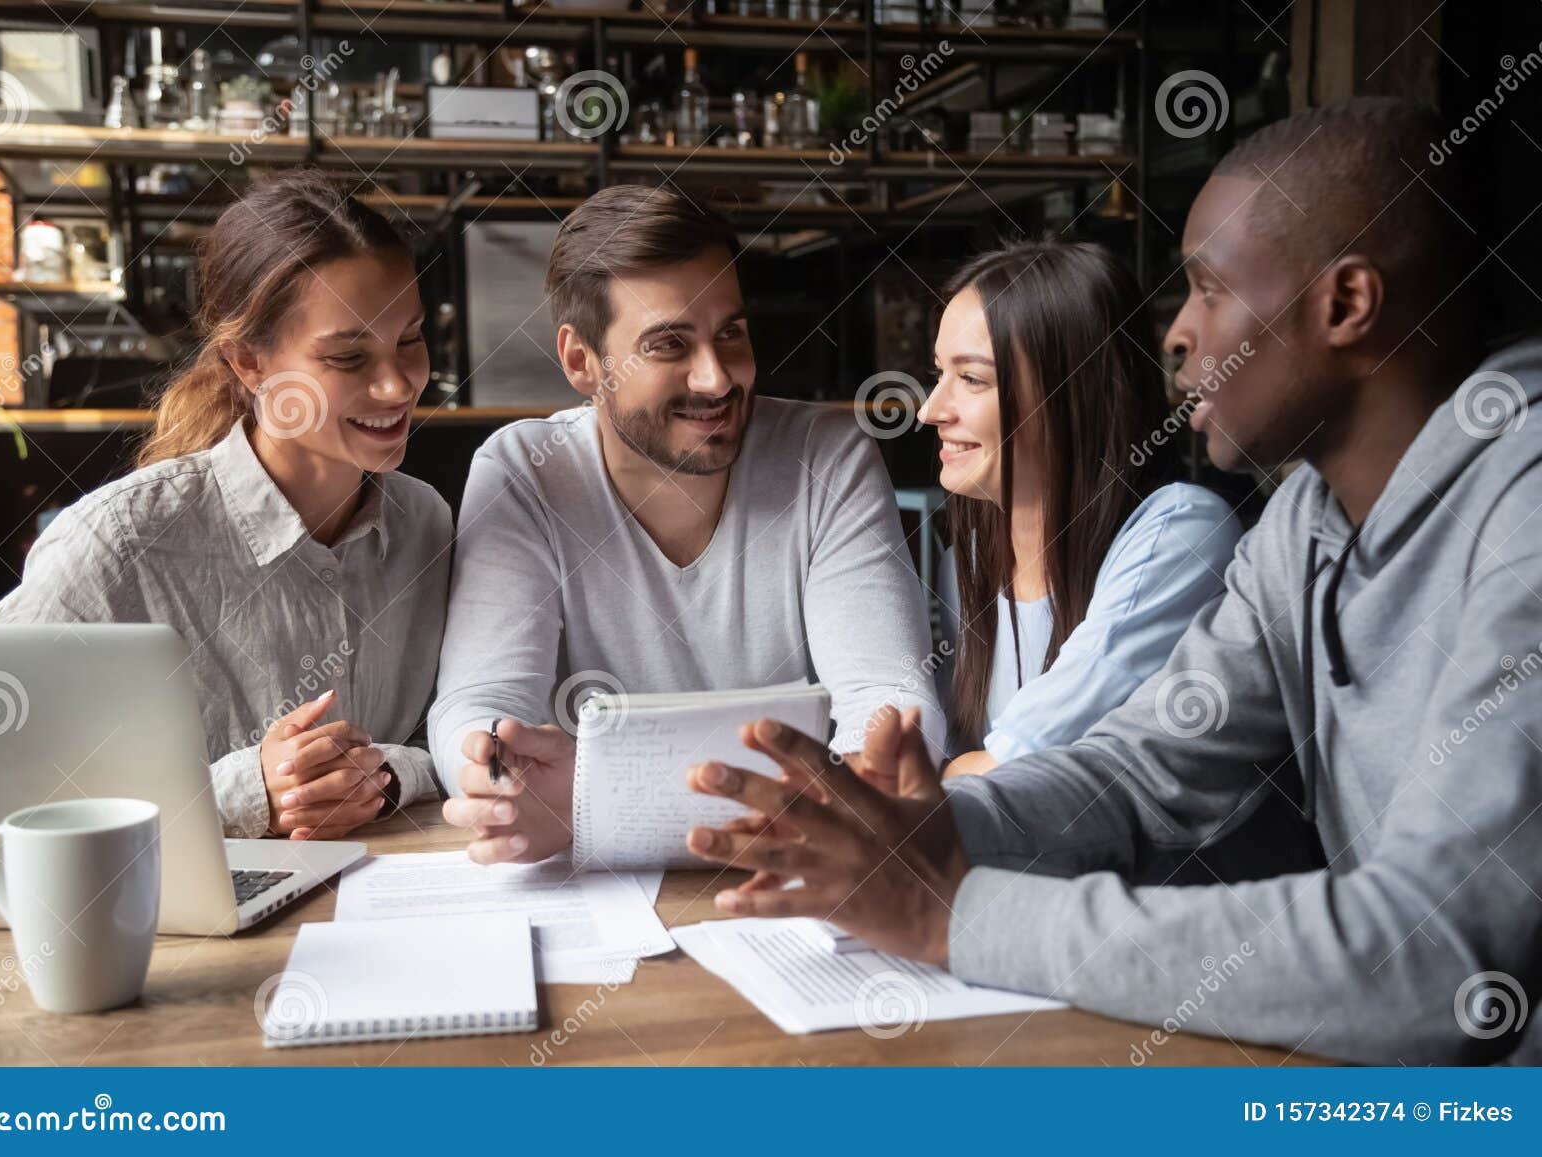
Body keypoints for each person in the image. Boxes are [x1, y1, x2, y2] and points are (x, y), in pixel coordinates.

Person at [681, 97, 1541, 1065]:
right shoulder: (1302, 520)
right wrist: (925, 828)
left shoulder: (1525, 507)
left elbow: (1425, 954)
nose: (1174, 333)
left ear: (1344, 304)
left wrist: (954, 912)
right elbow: (1142, 769)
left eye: (1207, 290)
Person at [432, 185, 943, 865]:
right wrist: (499, 779)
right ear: (583, 362)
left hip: (795, 877)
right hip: (618, 896)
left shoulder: (829, 454)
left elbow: (894, 705)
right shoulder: (526, 469)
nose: (717, 377)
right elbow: (481, 708)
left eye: (730, 332)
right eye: (669, 343)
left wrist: (593, 802)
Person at [0, 170, 451, 842]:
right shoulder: (117, 544)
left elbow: (458, 728)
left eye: (409, 340)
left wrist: (382, 776)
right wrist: (249, 793)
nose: (397, 383)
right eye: (349, 357)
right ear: (248, 363)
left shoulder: (428, 523)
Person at [921, 242, 1241, 775]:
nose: (931, 410)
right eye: (939, 373)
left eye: (972, 379)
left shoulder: (1180, 532)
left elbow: (1024, 762)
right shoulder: (968, 562)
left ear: (1075, 395)